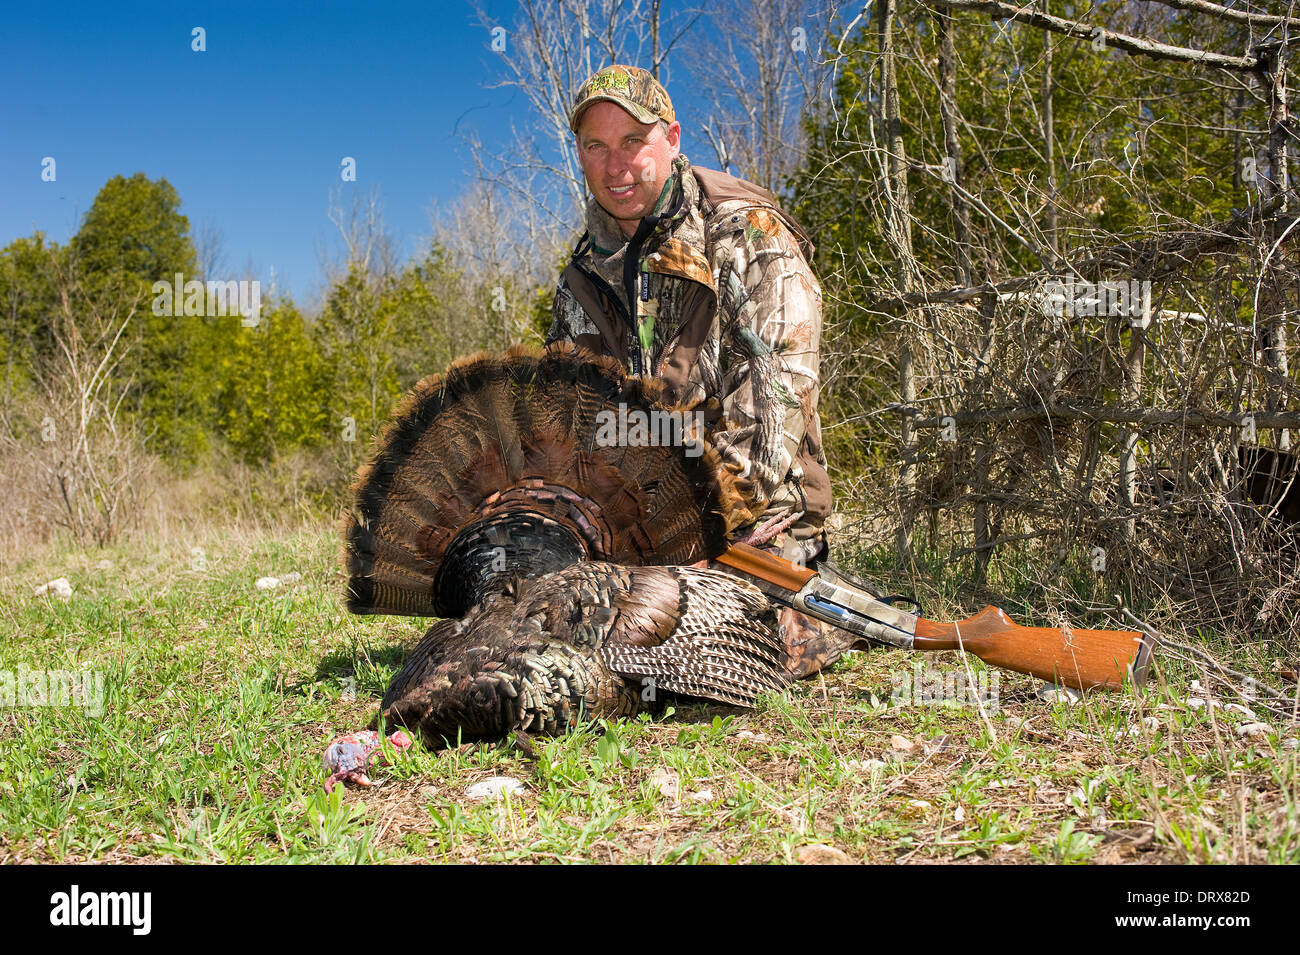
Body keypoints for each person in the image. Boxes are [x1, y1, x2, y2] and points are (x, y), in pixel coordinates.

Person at [545, 65, 866, 679]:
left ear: (672, 139)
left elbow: (770, 434)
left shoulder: (750, 236)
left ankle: (820, 612)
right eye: (596, 146)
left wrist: (680, 536)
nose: (616, 167)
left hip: (757, 526)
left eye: (633, 141)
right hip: (640, 533)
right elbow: (571, 430)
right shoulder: (582, 276)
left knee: (670, 650)